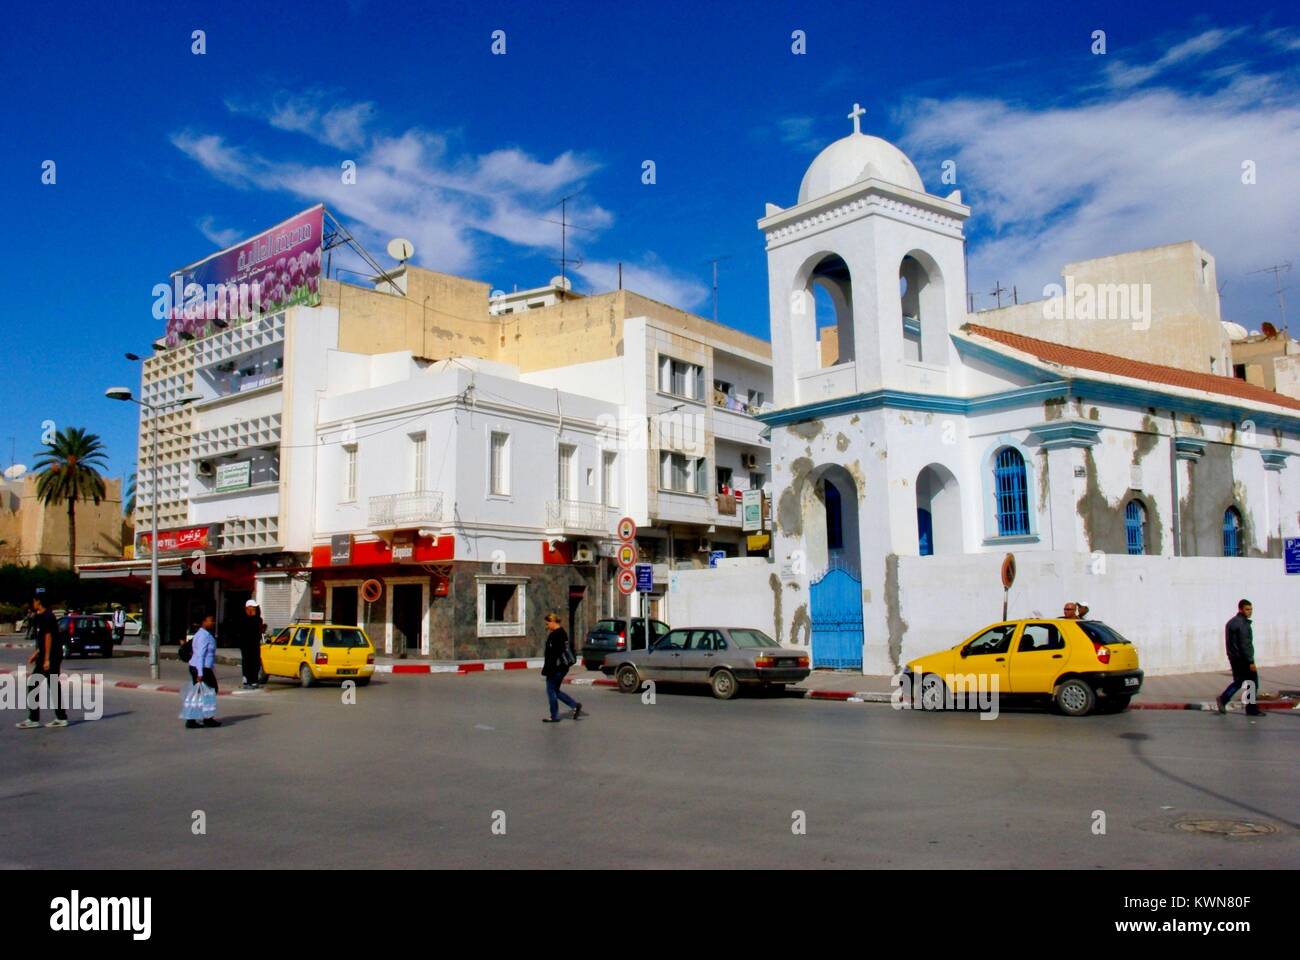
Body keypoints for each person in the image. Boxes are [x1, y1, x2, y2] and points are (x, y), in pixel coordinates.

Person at [16, 595, 67, 729]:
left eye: (33, 601)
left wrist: (46, 659)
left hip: (52, 656)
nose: (32, 603)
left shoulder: (47, 616)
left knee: (35, 684)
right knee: (50, 686)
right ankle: (60, 717)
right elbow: (42, 639)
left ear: (39, 602)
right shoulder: (40, 616)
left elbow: (48, 637)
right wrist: (36, 653)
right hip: (46, 655)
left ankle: (35, 719)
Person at [1217, 599, 1263, 718]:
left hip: (1234, 658)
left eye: (1251, 609)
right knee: (1253, 683)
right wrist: (1250, 661)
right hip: (1243, 659)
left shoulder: (1231, 622)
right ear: (1240, 609)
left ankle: (1223, 699)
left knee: (1239, 681)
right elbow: (1245, 644)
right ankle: (1251, 709)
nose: (1250, 612)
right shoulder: (1243, 624)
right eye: (1247, 609)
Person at [540, 611, 583, 723]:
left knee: (551, 691)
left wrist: (548, 670)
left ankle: (554, 716)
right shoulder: (562, 633)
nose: (547, 626)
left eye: (547, 624)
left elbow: (553, 655)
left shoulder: (556, 635)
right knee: (556, 690)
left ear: (553, 621)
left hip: (555, 668)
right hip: (562, 667)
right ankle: (574, 705)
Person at [186, 614, 222, 729]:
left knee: (202, 693)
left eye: (213, 621)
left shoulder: (204, 634)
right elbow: (200, 655)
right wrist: (200, 673)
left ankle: (196, 719)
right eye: (210, 621)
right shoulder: (203, 636)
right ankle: (206, 719)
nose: (213, 623)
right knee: (210, 691)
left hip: (202, 667)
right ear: (203, 622)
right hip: (200, 667)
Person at [238, 600, 265, 689]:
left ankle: (254, 680)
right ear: (247, 608)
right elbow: (244, 628)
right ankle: (246, 680)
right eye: (252, 607)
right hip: (245, 644)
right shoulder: (242, 619)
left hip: (255, 644)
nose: (254, 609)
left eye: (255, 607)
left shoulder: (258, 619)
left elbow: (257, 628)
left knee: (255, 662)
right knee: (247, 661)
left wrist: (254, 616)